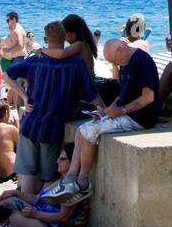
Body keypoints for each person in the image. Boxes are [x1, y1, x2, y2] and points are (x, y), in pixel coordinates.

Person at [45, 37, 160, 202]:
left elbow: (148, 97)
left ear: (120, 50)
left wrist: (121, 110)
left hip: (140, 118)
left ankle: (82, 182)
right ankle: (71, 177)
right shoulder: (125, 62)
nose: (116, 64)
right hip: (125, 113)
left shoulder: (141, 61)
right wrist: (107, 111)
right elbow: (122, 95)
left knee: (88, 131)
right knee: (81, 130)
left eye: (115, 61)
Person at [1, 21, 102, 199]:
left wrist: (24, 96)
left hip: (30, 123)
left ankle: (24, 204)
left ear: (46, 39)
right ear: (64, 38)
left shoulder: (35, 59)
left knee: (29, 175)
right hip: (52, 127)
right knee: (47, 177)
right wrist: (104, 109)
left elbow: (7, 75)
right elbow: (91, 93)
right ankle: (35, 206)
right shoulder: (75, 63)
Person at [0, 144, 79, 227]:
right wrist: (17, 194)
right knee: (7, 201)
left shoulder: (71, 186)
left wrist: (35, 214)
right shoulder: (60, 181)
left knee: (8, 217)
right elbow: (38, 200)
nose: (58, 161)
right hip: (41, 221)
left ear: (73, 162)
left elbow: (63, 217)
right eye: (58, 158)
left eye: (63, 159)